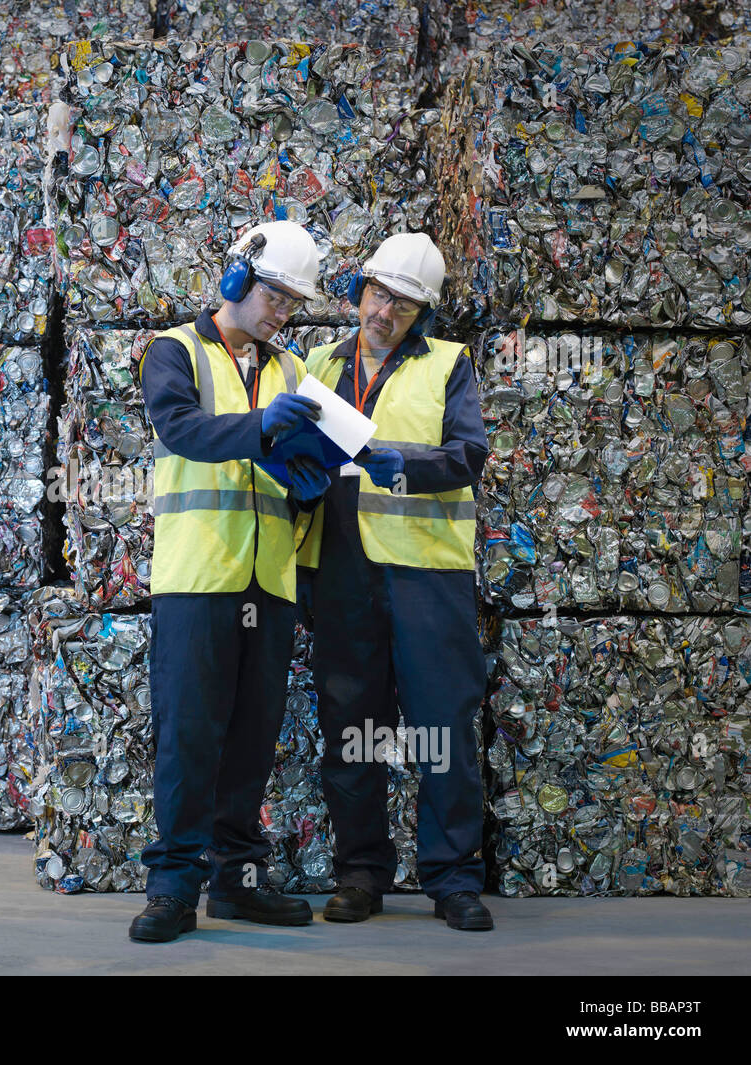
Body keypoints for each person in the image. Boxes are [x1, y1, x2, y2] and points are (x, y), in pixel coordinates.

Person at [129, 220, 331, 943]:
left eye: (293, 303)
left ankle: (238, 881)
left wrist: (310, 482)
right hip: (199, 580)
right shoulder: (173, 352)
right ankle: (173, 888)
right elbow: (181, 430)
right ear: (239, 280)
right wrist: (261, 430)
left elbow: (297, 464)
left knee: (251, 737)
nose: (282, 312)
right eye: (275, 295)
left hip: (268, 584)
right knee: (189, 734)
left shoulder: (293, 370)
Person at [295, 232, 494, 931]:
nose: (385, 312)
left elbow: (468, 454)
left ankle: (453, 877)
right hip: (342, 571)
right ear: (361, 291)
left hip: (424, 575)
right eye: (380, 295)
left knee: (442, 725)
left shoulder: (449, 365)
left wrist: (397, 461)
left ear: (421, 316)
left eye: (404, 306)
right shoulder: (318, 362)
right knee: (353, 728)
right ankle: (360, 873)